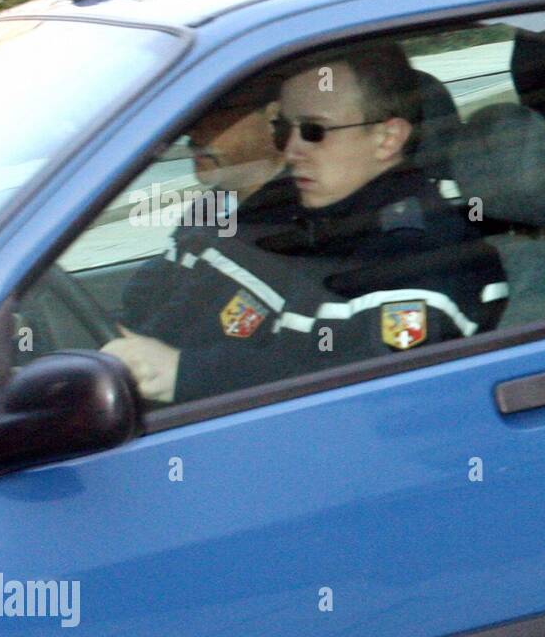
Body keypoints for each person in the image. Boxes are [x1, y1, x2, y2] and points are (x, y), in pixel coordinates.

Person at [102, 42, 505, 405]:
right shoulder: (276, 210)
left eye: (314, 130)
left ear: (387, 138)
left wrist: (183, 373)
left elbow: (367, 389)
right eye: (284, 129)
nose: (292, 149)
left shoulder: (426, 253)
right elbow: (177, 303)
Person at [118, 75, 295, 334]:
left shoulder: (290, 224)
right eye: (192, 116)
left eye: (214, 114)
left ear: (272, 118)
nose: (192, 133)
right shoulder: (213, 204)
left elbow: (211, 334)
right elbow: (144, 293)